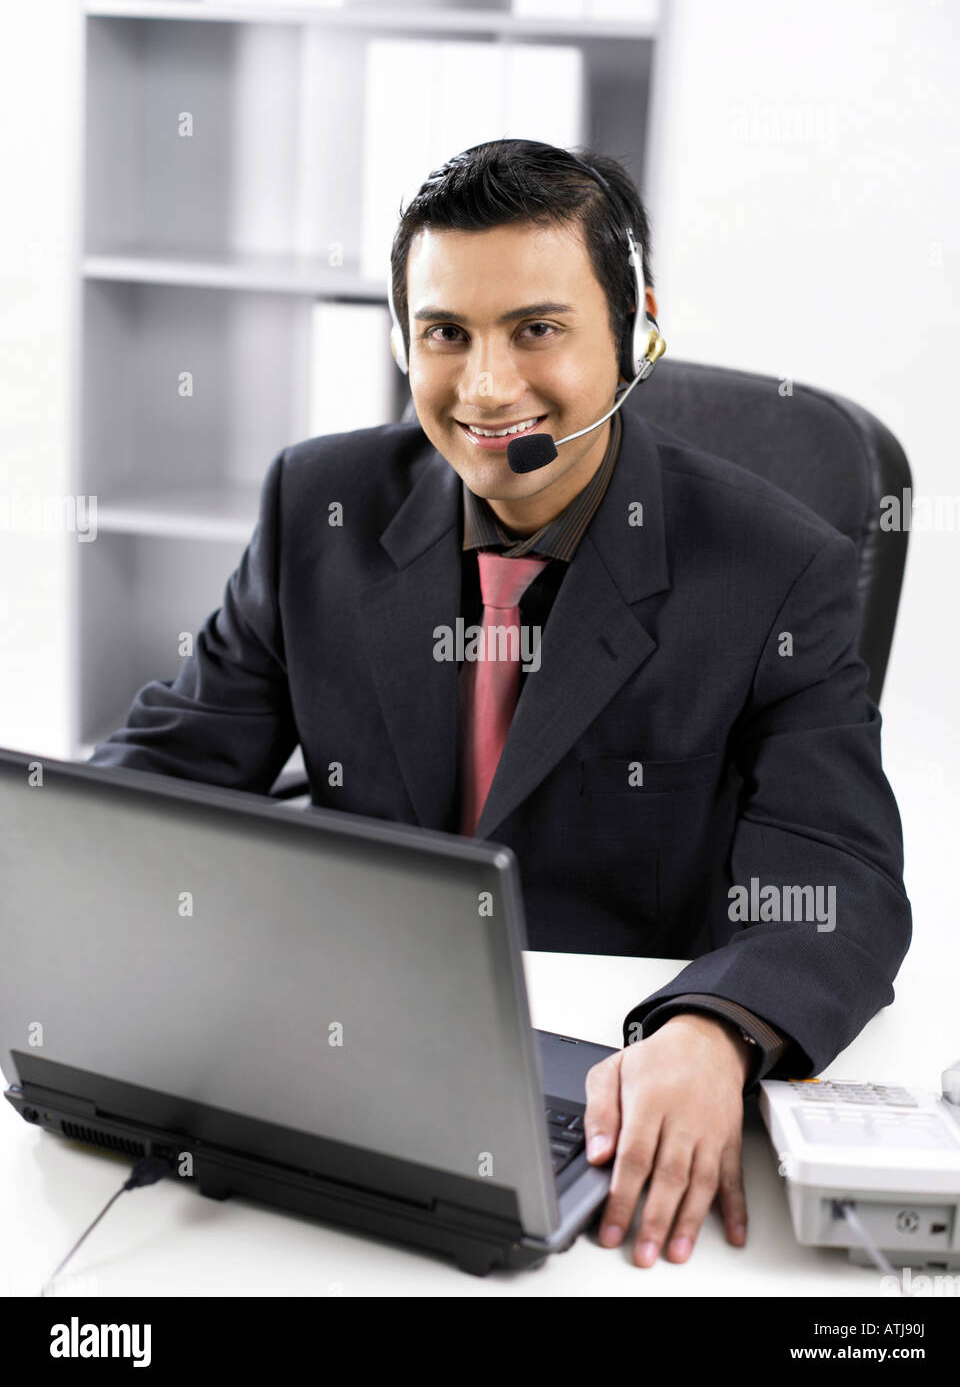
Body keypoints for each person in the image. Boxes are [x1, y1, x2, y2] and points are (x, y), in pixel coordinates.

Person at [89, 138, 912, 1271]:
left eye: (537, 328)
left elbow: (838, 876)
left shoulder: (778, 568)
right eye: (445, 334)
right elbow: (164, 768)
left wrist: (713, 1031)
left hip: (592, 1085)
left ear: (637, 330)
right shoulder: (315, 506)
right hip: (346, 1058)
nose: (484, 388)